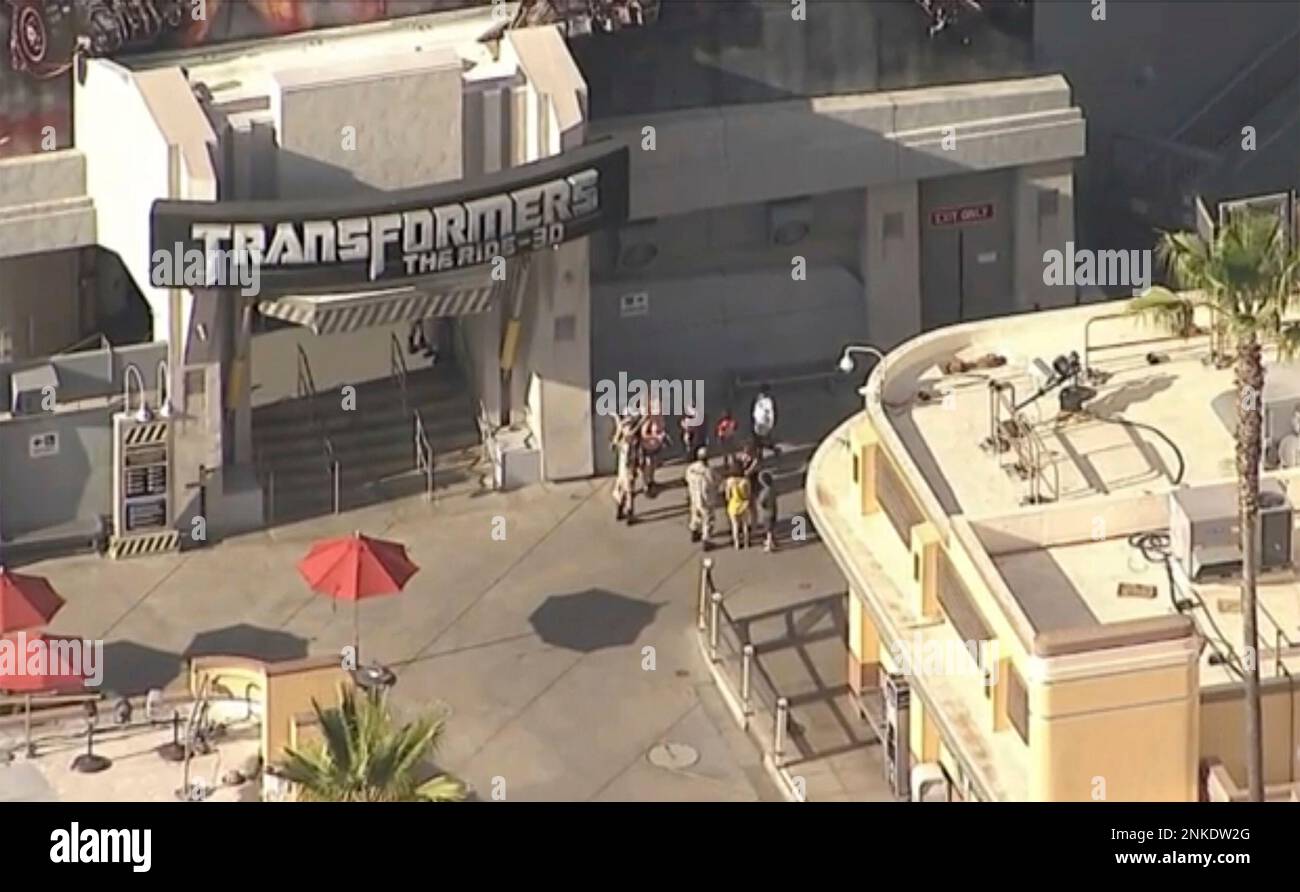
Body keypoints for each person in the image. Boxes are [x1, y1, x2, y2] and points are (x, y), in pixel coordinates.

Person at [684, 448, 717, 549]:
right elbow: (713, 482)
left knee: (695, 514)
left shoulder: (691, 468)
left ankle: (694, 531)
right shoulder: (708, 470)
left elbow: (687, 479)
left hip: (694, 495)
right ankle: (706, 540)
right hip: (705, 498)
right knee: (707, 518)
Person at [611, 413, 641, 523]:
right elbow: (630, 454)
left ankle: (619, 511)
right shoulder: (629, 439)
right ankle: (630, 513)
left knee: (623, 489)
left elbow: (615, 442)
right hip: (628, 467)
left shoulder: (620, 439)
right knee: (629, 491)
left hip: (622, 469)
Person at [724, 462, 752, 550]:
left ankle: (737, 544)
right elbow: (748, 494)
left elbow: (727, 496)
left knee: (735, 525)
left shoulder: (729, 481)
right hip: (743, 505)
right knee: (745, 525)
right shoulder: (745, 481)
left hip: (733, 505)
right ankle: (746, 543)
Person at [751, 383, 777, 457]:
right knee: (759, 440)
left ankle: (774, 450)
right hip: (759, 422)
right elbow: (753, 410)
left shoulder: (769, 400)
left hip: (765, 422)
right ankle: (761, 454)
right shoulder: (757, 398)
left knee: (764, 439)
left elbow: (772, 411)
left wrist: (772, 422)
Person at [757, 468, 778, 553]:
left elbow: (761, 502)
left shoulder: (764, 492)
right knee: (771, 528)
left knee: (768, 530)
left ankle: (769, 545)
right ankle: (772, 541)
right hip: (773, 511)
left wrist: (760, 505)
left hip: (766, 513)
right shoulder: (773, 489)